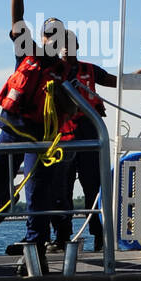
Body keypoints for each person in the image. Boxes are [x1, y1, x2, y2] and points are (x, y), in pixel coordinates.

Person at [0, 0, 68, 269]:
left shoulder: (62, 73)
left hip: (40, 138)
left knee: (37, 193)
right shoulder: (27, 52)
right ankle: (4, 202)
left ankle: (36, 248)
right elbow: (17, 19)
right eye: (47, 32)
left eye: (57, 33)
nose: (51, 37)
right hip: (12, 129)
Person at [49, 32, 118, 251]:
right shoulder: (52, 71)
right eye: (63, 44)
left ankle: (99, 236)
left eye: (71, 43)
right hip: (63, 135)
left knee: (93, 187)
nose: (67, 47)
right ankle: (61, 236)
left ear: (77, 45)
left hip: (89, 132)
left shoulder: (90, 69)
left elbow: (114, 81)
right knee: (61, 188)